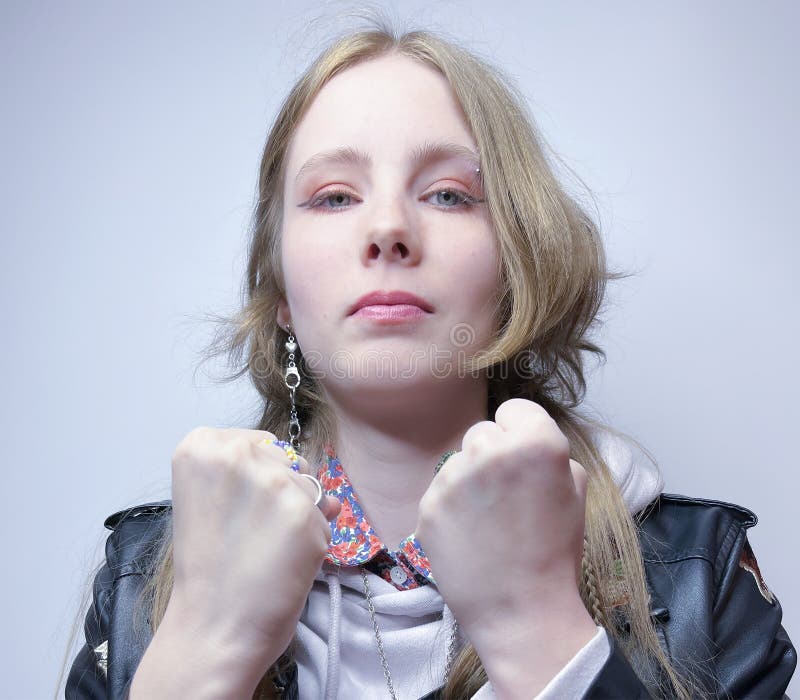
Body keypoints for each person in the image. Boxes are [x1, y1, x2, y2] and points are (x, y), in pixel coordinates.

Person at [64, 20, 796, 700]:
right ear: (280, 289)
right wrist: (203, 645)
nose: (388, 228)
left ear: (517, 267)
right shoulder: (140, 582)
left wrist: (538, 634)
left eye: (448, 194)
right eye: (333, 197)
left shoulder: (703, 572)